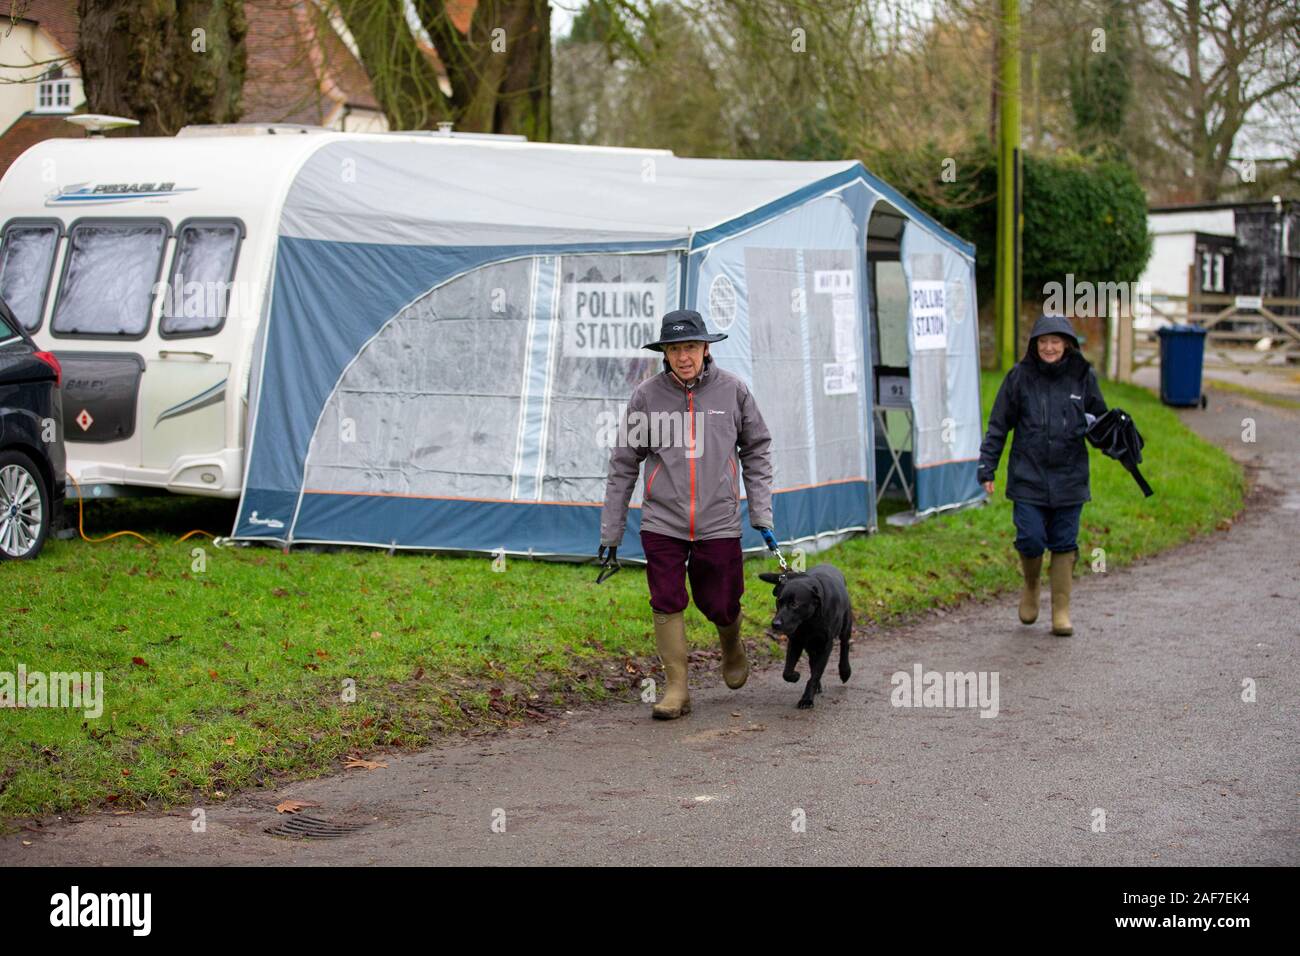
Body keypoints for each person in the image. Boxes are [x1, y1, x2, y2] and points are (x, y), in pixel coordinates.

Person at [599, 309, 775, 719]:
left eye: (691, 347)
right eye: (675, 349)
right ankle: (677, 689)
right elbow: (625, 462)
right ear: (665, 352)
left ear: (705, 348)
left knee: (722, 601)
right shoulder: (647, 396)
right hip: (663, 520)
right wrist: (610, 532)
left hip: (719, 520)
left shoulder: (733, 391)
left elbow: (757, 448)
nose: (684, 357)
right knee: (666, 599)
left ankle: (731, 644)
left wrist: (760, 512)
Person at [978, 314, 1108, 636]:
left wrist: (1113, 436)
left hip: (1070, 477)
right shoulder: (1019, 377)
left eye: (1055, 341)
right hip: (1028, 476)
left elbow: (1100, 421)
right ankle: (1031, 586)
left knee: (1064, 542)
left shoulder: (1083, 376)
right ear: (1034, 345)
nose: (1049, 348)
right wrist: (987, 466)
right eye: (1043, 342)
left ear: (1067, 344)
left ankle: (1061, 611)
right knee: (1030, 537)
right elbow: (998, 425)